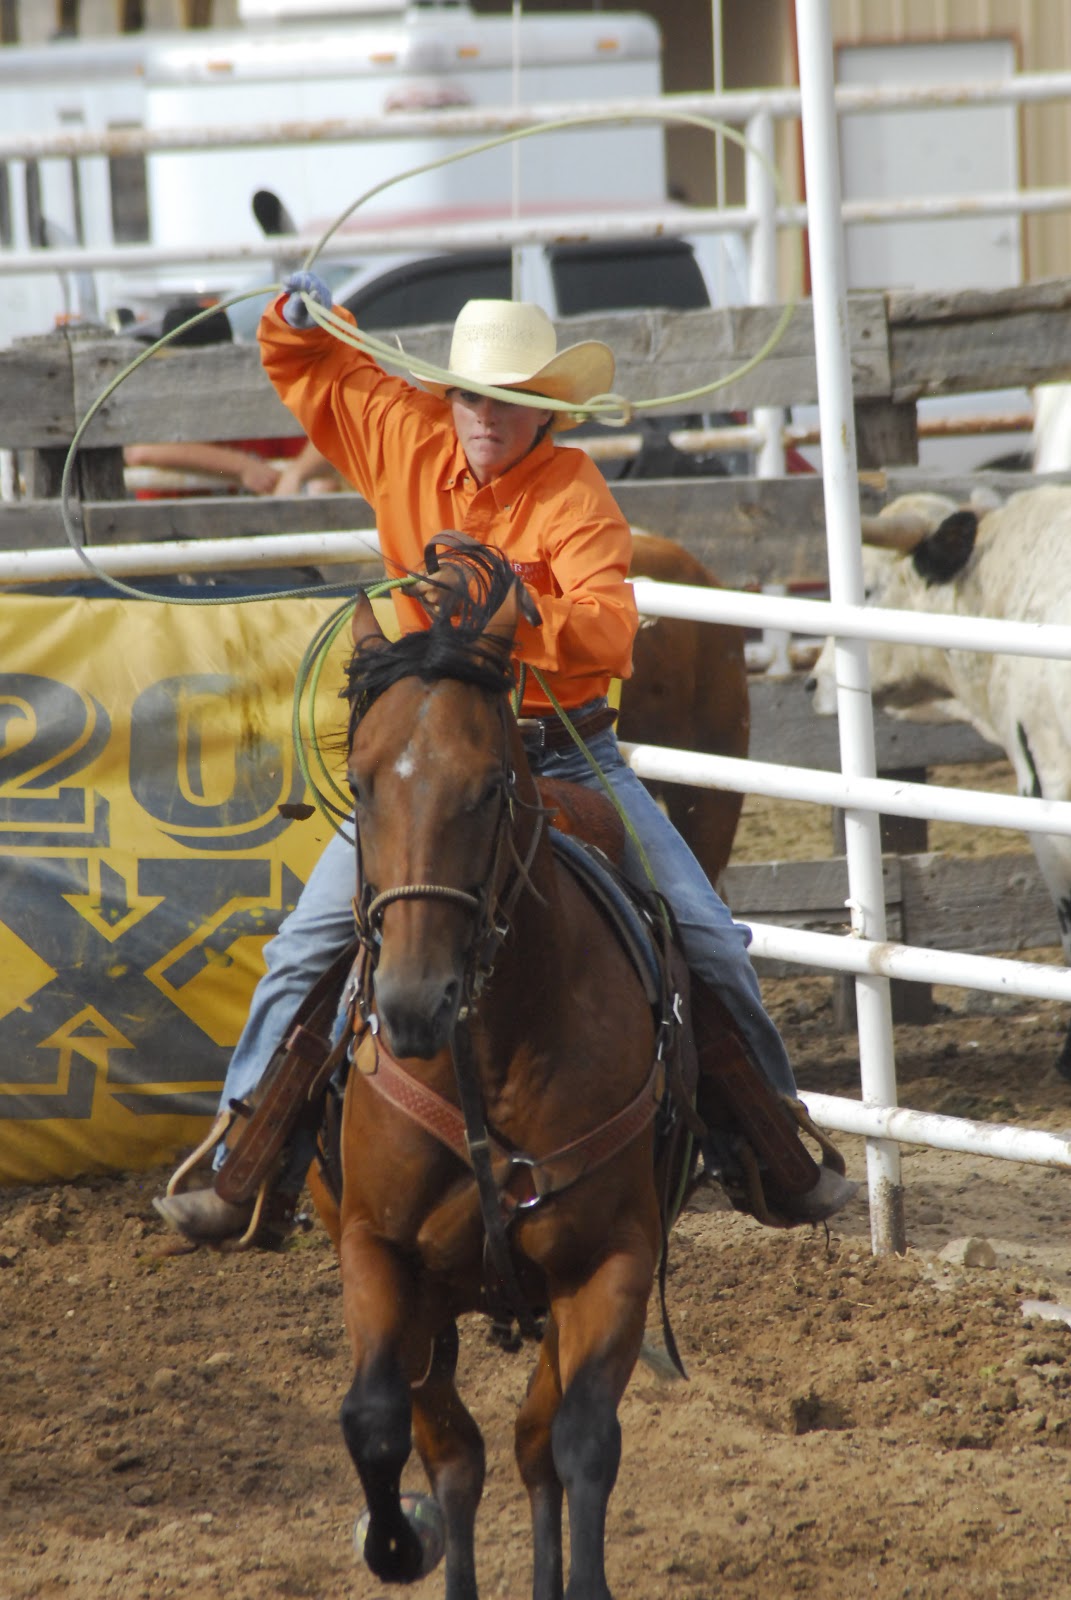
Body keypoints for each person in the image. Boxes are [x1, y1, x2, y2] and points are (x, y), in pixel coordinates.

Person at [153, 275, 856, 1246]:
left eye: (511, 399)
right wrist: (298, 315)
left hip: (565, 750)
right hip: (438, 757)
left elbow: (610, 627)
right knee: (307, 942)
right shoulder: (405, 438)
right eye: (475, 394)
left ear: (543, 411)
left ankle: (767, 1140)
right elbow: (310, 371)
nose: (488, 415)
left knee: (704, 930)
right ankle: (246, 1151)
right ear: (449, 395)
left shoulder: (572, 493)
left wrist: (515, 615)